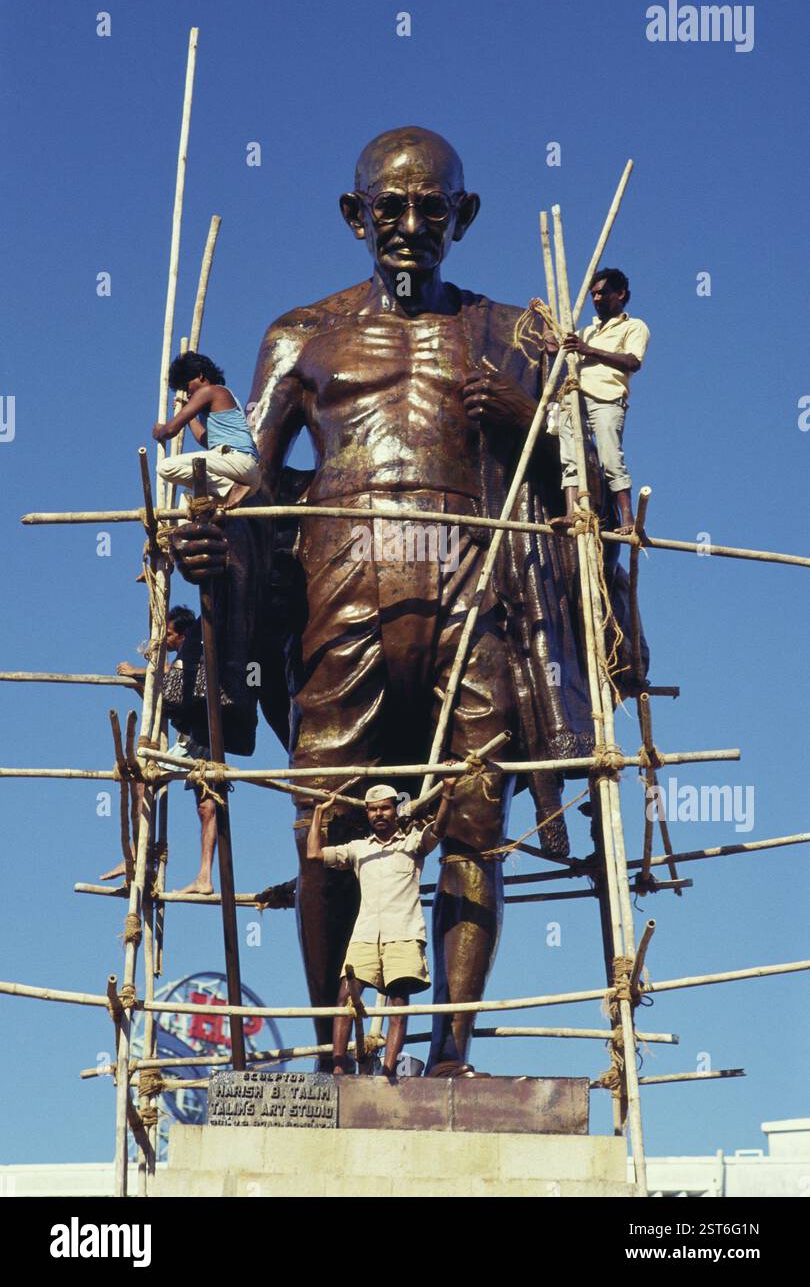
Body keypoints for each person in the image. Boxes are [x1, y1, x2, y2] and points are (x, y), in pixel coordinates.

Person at [171, 127, 644, 1073]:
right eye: (392, 207)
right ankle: (333, 1056)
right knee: (325, 823)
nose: (412, 225)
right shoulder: (297, 335)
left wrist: (527, 421)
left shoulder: (517, 333)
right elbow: (241, 474)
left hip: (480, 592)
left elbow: (593, 487)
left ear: (463, 216)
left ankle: (450, 1054)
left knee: (476, 820)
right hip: (342, 585)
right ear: (357, 216)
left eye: (435, 207)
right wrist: (203, 538)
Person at [307, 774, 456, 1078]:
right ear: (368, 814)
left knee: (398, 1003)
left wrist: (449, 793)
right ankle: (338, 1065)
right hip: (365, 934)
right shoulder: (360, 849)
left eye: (385, 809)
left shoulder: (412, 843)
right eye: (373, 810)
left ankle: (388, 1071)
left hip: (403, 933)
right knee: (346, 996)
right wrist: (319, 812)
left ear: (394, 810)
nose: (379, 814)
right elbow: (314, 854)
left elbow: (438, 830)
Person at [101, 606, 219, 895]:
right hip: (198, 736)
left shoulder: (196, 650)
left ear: (183, 634)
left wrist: (138, 672)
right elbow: (169, 697)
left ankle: (143, 855)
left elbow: (167, 672)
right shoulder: (191, 655)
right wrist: (144, 685)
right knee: (206, 807)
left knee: (145, 778)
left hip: (199, 739)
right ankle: (198, 874)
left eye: (168, 634)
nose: (164, 640)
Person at [552, 268, 649, 535]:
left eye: (602, 293)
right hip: (576, 397)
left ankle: (628, 519)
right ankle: (574, 513)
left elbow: (632, 361)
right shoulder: (586, 332)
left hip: (606, 397)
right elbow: (567, 353)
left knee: (609, 457)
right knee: (570, 455)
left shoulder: (634, 326)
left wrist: (588, 350)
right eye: (593, 294)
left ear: (620, 294)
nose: (596, 299)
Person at [153, 351, 261, 508]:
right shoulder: (220, 397)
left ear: (201, 376)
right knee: (189, 498)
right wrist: (187, 413)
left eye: (186, 386)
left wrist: (159, 431)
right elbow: (206, 440)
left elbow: (170, 431)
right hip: (246, 473)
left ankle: (231, 488)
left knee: (165, 467)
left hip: (238, 462)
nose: (188, 392)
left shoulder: (210, 391)